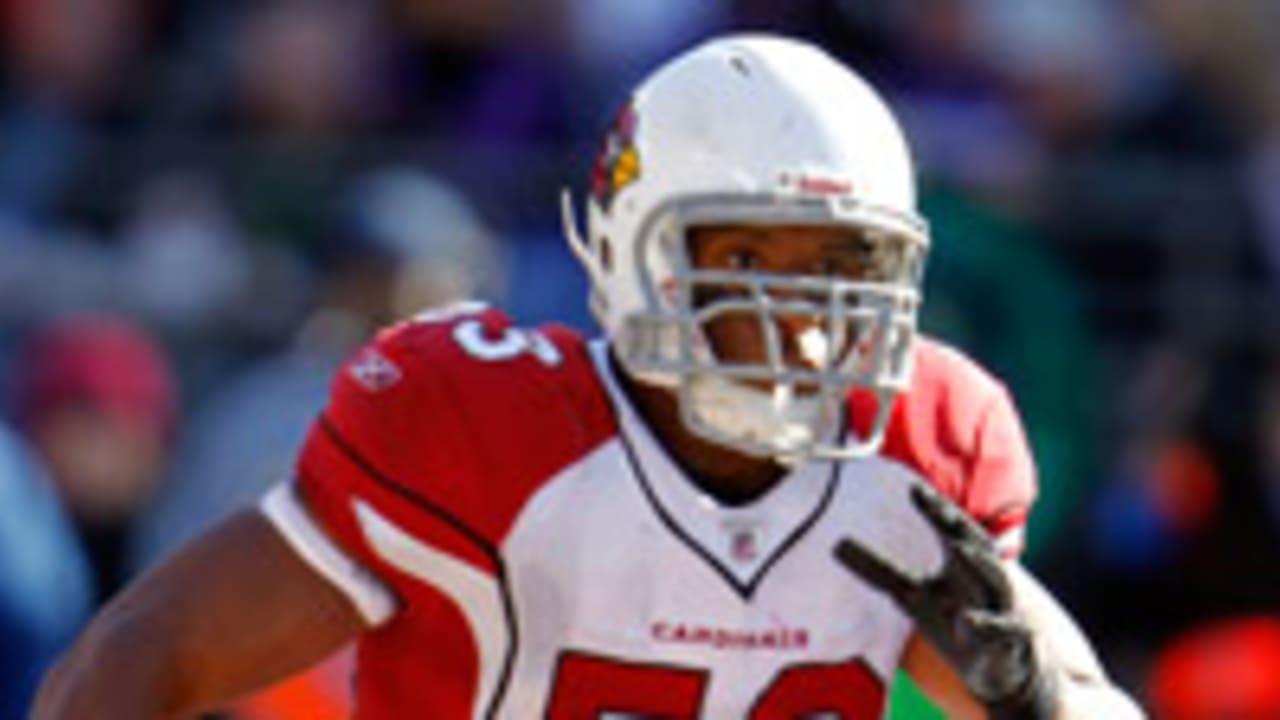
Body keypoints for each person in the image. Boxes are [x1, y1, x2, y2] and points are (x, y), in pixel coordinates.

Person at [34, 34, 1142, 719]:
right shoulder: (482, 433)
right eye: (749, 261)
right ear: (637, 251)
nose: (798, 322)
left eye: (841, 270)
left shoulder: (918, 457)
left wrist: (1032, 700)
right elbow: (147, 654)